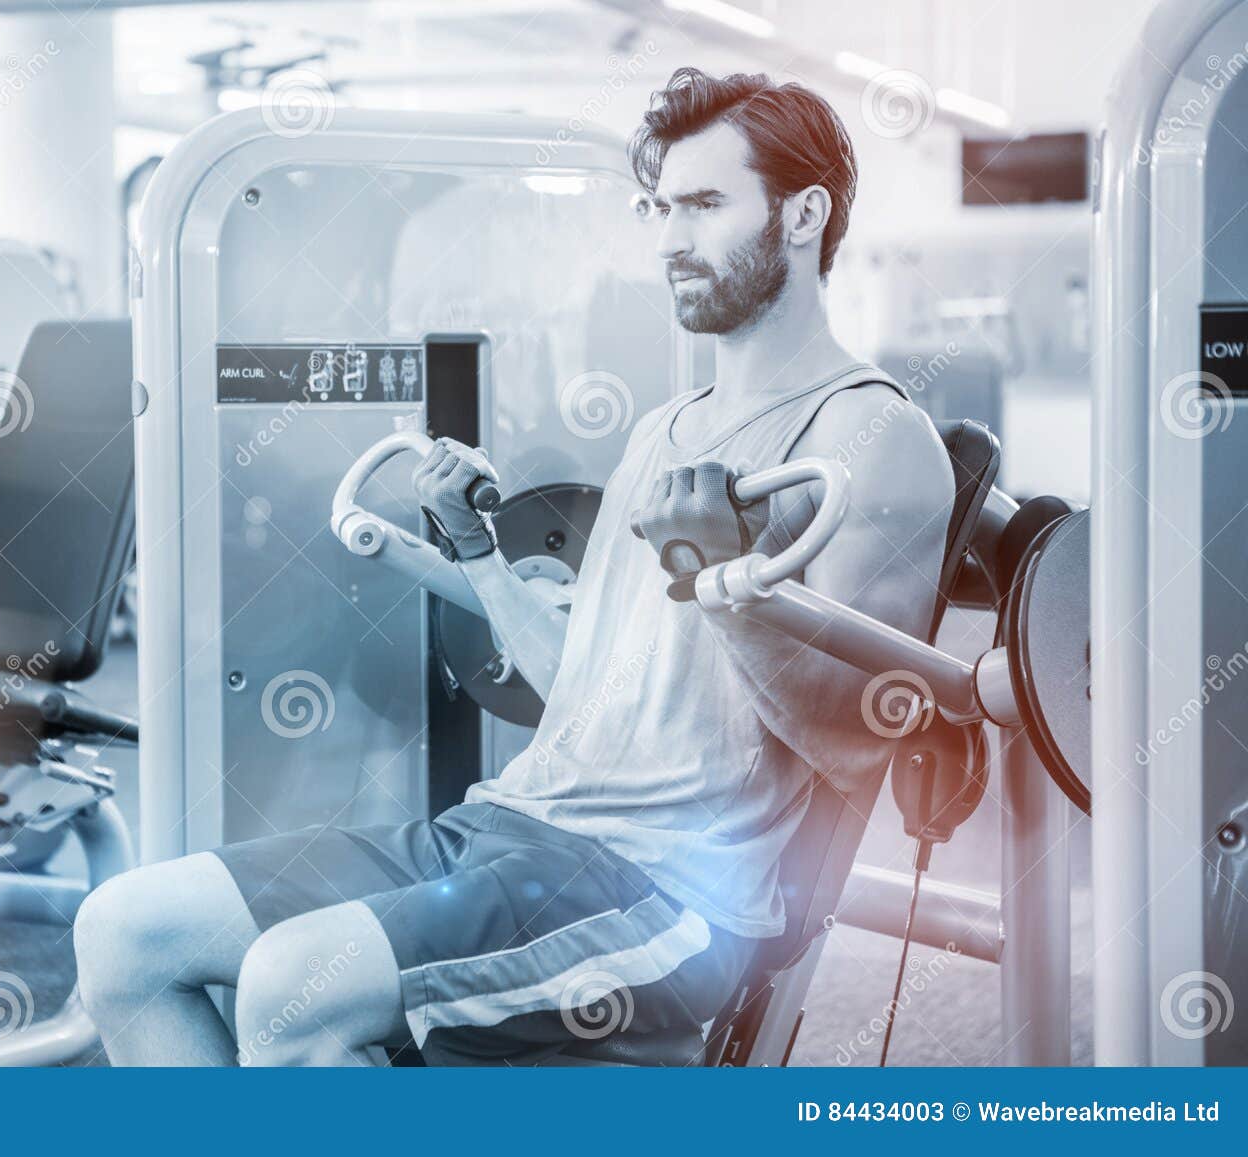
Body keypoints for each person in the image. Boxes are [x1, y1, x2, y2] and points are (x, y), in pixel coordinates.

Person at [73, 68, 954, 1067]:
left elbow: (859, 735)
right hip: (513, 824)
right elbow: (577, 685)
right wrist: (478, 553)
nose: (670, 240)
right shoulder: (665, 429)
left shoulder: (867, 434)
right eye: (661, 208)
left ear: (804, 215)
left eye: (706, 205)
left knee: (289, 989)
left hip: (662, 888)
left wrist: (723, 584)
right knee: (126, 932)